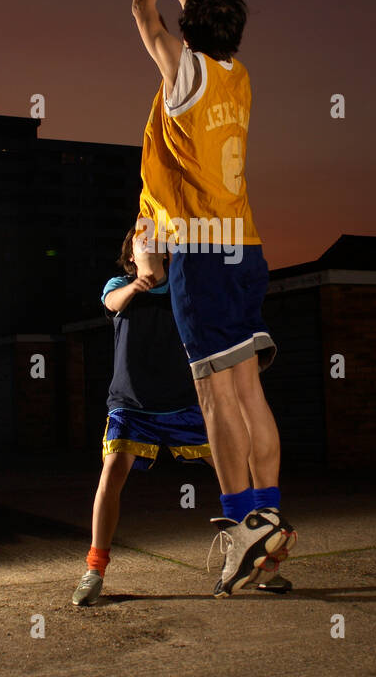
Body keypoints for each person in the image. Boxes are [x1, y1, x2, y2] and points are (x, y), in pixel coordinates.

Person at [129, 0, 295, 597]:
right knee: (248, 389)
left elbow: (145, 13)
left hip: (200, 251)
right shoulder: (238, 76)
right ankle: (268, 514)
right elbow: (191, 10)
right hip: (246, 245)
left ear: (193, 32)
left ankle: (237, 522)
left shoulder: (184, 72)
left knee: (212, 392)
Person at [71, 229, 290, 606]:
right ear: (131, 252)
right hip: (131, 405)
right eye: (142, 237)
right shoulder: (121, 285)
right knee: (111, 477)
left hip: (185, 404)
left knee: (231, 468)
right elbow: (111, 303)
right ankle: (94, 569)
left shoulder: (183, 285)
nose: (151, 240)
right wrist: (137, 286)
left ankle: (259, 560)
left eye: (156, 237)